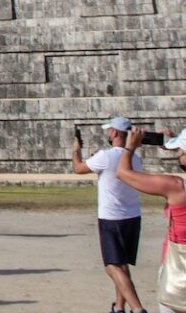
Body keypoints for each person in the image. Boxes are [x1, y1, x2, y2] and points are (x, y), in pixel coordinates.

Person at [73, 116, 147, 313]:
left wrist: (75, 149)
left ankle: (138, 309)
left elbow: (78, 168)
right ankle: (119, 306)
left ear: (114, 133)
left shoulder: (106, 156)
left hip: (111, 218)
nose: (107, 133)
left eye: (108, 130)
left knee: (112, 267)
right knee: (122, 266)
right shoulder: (135, 158)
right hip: (132, 216)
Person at [117, 126, 186, 313]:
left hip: (178, 272)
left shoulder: (176, 187)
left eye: (180, 151)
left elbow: (122, 173)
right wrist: (174, 142)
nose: (178, 155)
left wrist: (130, 146)